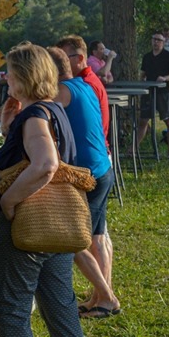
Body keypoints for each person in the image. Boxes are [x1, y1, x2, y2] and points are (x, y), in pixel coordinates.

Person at [0, 43, 88, 337]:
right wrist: (8, 128)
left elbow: (45, 164)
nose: (5, 78)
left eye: (9, 72)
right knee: (61, 310)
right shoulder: (55, 110)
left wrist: (9, 201)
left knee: (10, 313)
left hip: (28, 226)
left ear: (23, 76)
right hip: (59, 226)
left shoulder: (35, 117)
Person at [47, 48, 119, 318]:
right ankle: (100, 297)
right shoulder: (83, 84)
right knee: (97, 238)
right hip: (102, 168)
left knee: (74, 240)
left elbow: (37, 108)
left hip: (87, 175)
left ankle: (107, 298)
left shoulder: (63, 90)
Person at [136, 33, 169, 160]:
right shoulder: (147, 57)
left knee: (168, 120)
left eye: (159, 40)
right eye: (154, 40)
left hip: (163, 92)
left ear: (163, 42)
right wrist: (142, 83)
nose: (156, 42)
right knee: (143, 120)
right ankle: (133, 148)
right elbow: (143, 74)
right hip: (148, 92)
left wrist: (164, 78)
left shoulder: (168, 56)